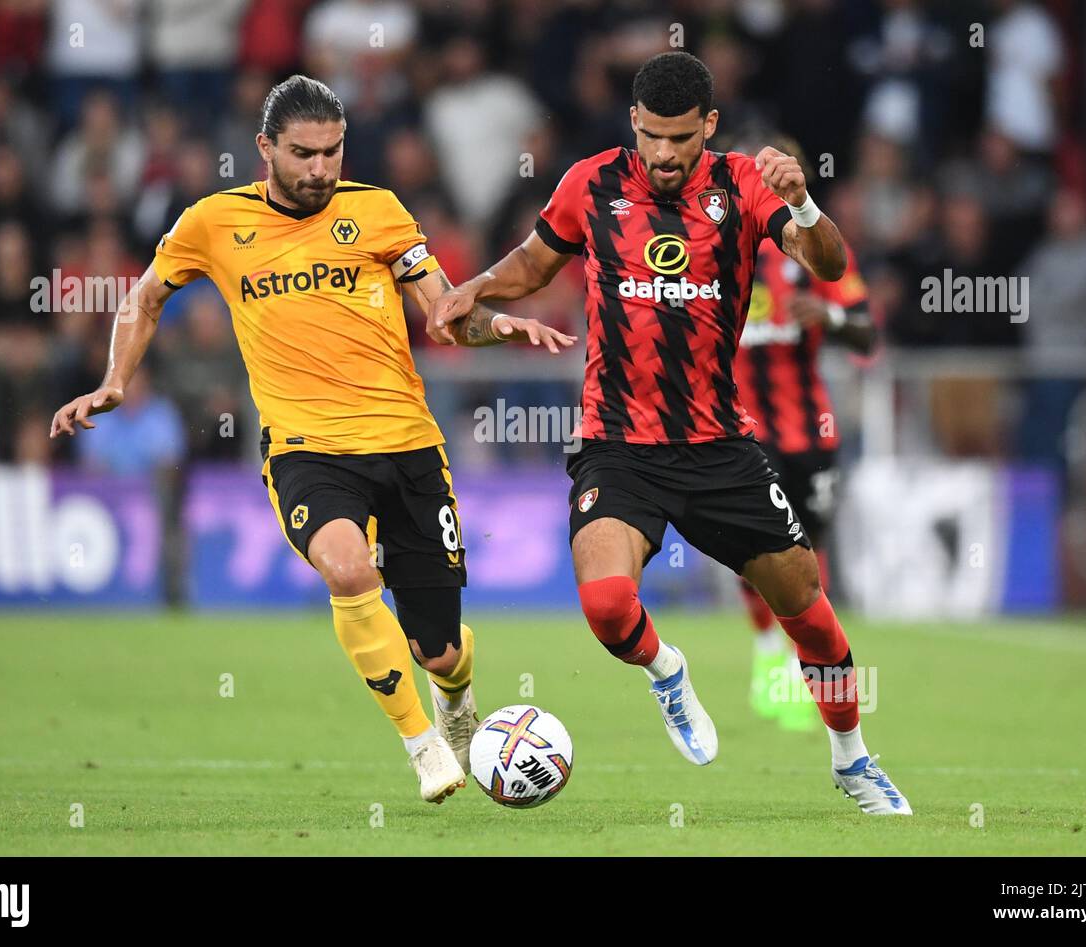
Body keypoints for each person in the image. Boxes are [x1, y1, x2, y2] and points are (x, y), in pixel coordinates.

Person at [51, 75, 574, 804]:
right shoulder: (213, 223)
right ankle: (423, 744)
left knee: (442, 650)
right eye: (304, 154)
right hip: (306, 448)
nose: (321, 169)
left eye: (332, 152)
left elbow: (443, 310)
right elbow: (144, 298)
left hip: (408, 445)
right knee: (347, 567)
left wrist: (493, 322)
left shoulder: (379, 211)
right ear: (265, 147)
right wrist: (114, 379)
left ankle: (456, 703)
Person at [431, 52, 910, 814]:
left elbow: (828, 264)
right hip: (617, 444)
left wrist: (808, 207)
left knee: (811, 614)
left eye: (679, 138)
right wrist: (479, 285)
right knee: (608, 607)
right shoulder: (590, 182)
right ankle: (668, 673)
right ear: (633, 123)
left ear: (709, 127)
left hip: (718, 444)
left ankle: (853, 759)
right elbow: (533, 262)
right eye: (650, 134)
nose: (661, 153)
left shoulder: (747, 185)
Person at [731, 136, 878, 732]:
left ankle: (806, 663)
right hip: (743, 430)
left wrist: (831, 317)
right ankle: (771, 655)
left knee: (809, 555)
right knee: (756, 550)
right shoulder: (722, 245)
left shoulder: (818, 246)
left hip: (810, 430)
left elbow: (866, 332)